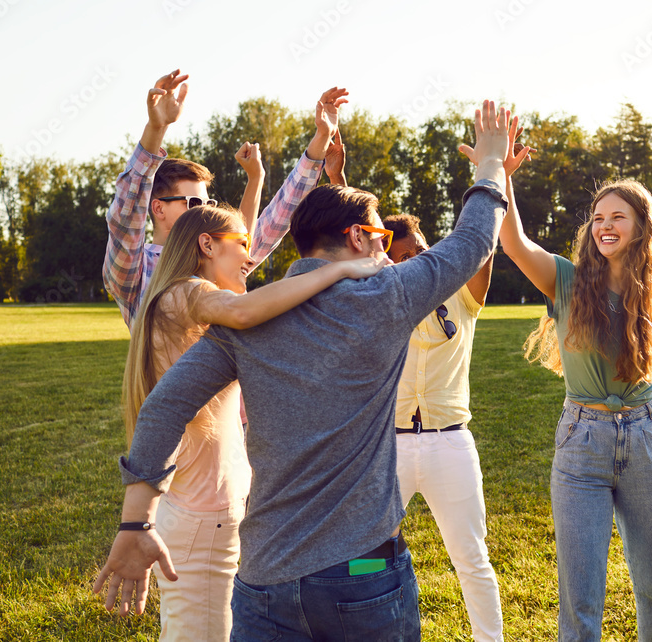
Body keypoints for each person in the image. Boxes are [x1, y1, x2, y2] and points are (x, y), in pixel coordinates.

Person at [93, 101, 514, 641]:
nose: (386, 248)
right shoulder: (388, 295)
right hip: (361, 577)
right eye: (380, 238)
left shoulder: (247, 317)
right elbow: (474, 242)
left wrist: (136, 520)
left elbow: (165, 407)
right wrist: (491, 167)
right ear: (359, 239)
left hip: (263, 580)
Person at [122, 204, 384, 641]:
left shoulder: (179, 299)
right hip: (203, 520)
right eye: (242, 244)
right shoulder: (185, 292)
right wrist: (340, 271)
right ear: (206, 245)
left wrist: (257, 179)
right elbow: (246, 312)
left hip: (207, 512)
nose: (250, 256)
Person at [491, 147, 652, 639]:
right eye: (598, 218)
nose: (604, 226)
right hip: (581, 441)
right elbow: (513, 242)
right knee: (581, 597)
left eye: (618, 216)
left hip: (647, 438)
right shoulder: (566, 281)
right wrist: (503, 177)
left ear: (642, 227)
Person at [103, 68, 348, 325]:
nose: (205, 211)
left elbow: (277, 220)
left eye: (209, 203)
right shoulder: (136, 271)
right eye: (194, 203)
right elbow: (126, 214)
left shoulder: (217, 256)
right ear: (158, 208)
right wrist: (156, 128)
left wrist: (321, 140)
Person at [382, 212, 503, 641]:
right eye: (405, 254)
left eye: (422, 248)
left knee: (472, 558)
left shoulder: (461, 295)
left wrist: (496, 176)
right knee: (364, 557)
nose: (419, 257)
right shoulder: (379, 297)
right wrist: (339, 179)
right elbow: (357, 240)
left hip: (450, 443)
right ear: (386, 259)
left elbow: (484, 243)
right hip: (387, 450)